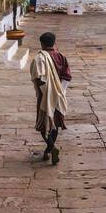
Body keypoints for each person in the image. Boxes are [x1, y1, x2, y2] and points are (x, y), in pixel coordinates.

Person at [30, 31, 70, 164]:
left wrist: (47, 93)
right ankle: (49, 151)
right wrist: (60, 92)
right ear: (54, 42)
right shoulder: (61, 56)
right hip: (60, 94)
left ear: (41, 43)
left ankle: (51, 148)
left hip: (45, 96)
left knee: (43, 125)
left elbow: (40, 79)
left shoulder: (40, 58)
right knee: (55, 124)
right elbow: (67, 77)